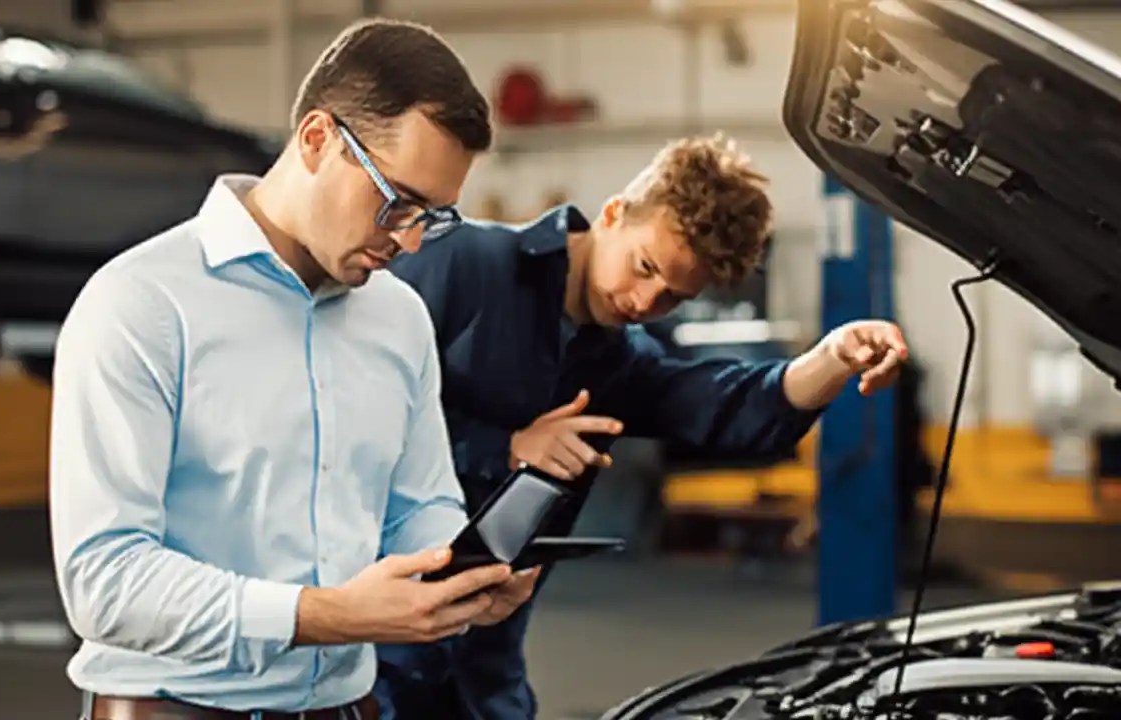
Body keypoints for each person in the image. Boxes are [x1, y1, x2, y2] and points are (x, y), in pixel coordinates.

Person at [47, 18, 541, 720]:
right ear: (317, 139)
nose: (407, 239)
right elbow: (106, 582)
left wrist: (460, 574)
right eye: (396, 201)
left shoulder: (398, 319)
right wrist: (327, 614)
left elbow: (419, 503)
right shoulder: (142, 305)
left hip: (351, 707)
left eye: (431, 216)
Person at [377, 135, 910, 719]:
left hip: (482, 662)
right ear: (613, 213)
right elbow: (350, 407)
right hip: (369, 641)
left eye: (672, 296)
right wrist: (502, 447)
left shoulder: (616, 359)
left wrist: (831, 356)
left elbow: (729, 407)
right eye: (645, 267)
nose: (645, 300)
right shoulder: (465, 262)